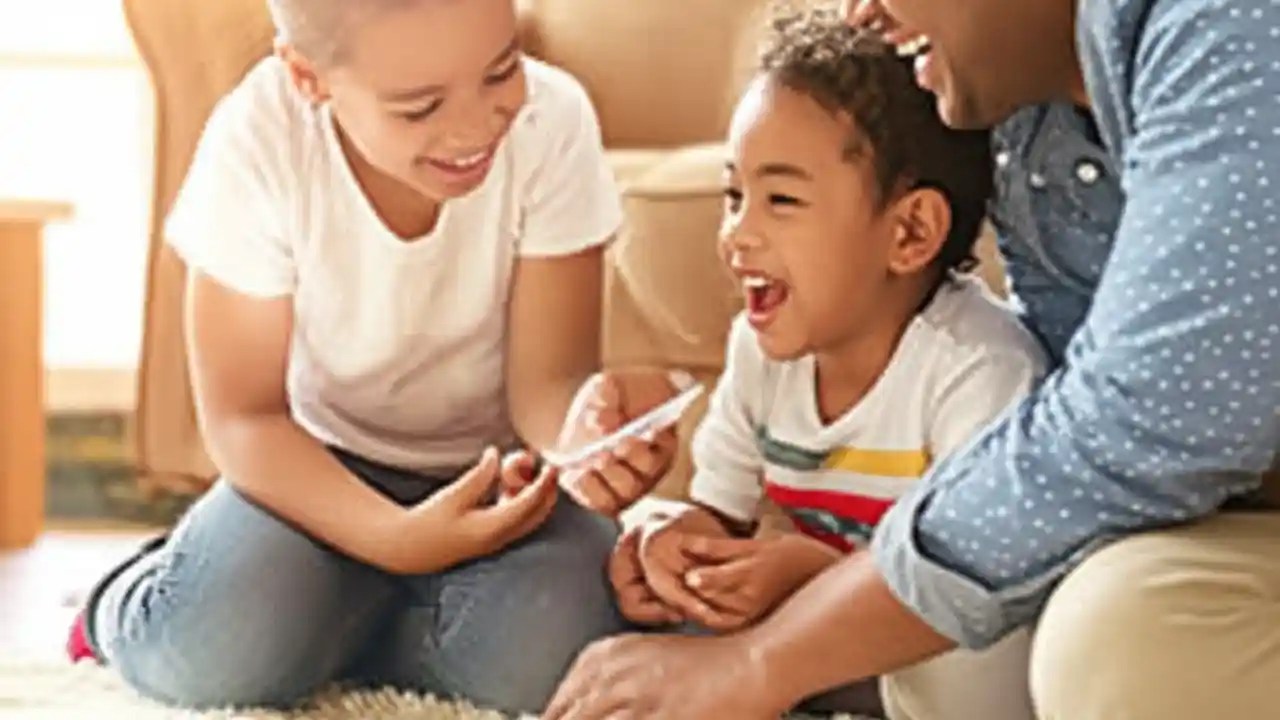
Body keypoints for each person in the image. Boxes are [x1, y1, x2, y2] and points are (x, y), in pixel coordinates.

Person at [544, 0, 1280, 718]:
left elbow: (1147, 416)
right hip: (1220, 515)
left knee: (1106, 641)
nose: (860, 14)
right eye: (735, 196)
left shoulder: (1231, 28)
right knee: (1113, 617)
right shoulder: (1025, 128)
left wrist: (763, 661)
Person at [63, 0, 681, 713]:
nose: (477, 125)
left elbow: (548, 388)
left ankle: (339, 627)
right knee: (214, 652)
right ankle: (125, 603)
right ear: (307, 76)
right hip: (316, 478)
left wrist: (588, 433)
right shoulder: (260, 138)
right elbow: (244, 418)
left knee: (551, 657)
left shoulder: (552, 120)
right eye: (419, 107)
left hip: (498, 488)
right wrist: (391, 537)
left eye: (501, 69)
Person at [610, 12, 1043, 719]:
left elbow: (981, 590)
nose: (736, 234)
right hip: (822, 655)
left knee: (973, 663)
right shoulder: (762, 348)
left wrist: (811, 576)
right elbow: (720, 512)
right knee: (635, 584)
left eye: (780, 200)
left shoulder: (979, 370)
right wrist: (674, 548)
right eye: (733, 196)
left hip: (946, 650)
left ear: (909, 232)